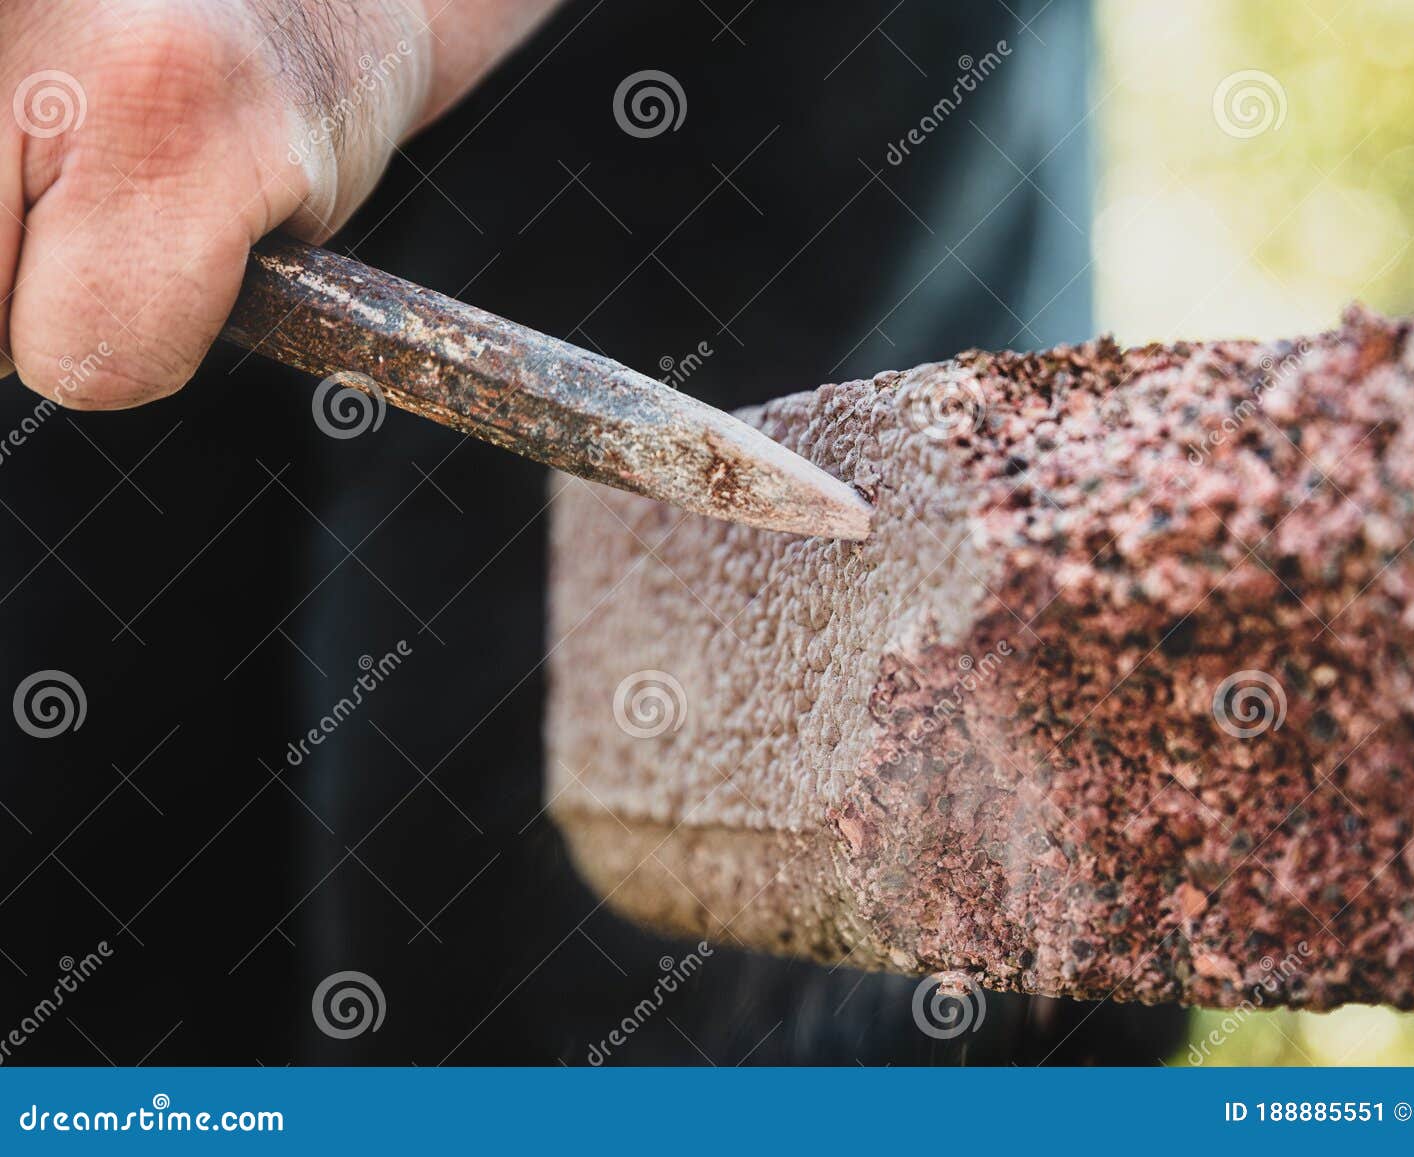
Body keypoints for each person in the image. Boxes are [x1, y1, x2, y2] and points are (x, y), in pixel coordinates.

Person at [3, 0, 1180, 1064]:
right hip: (84, 109)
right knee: (87, 893)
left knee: (590, 982)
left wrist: (339, 21)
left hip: (767, 107)